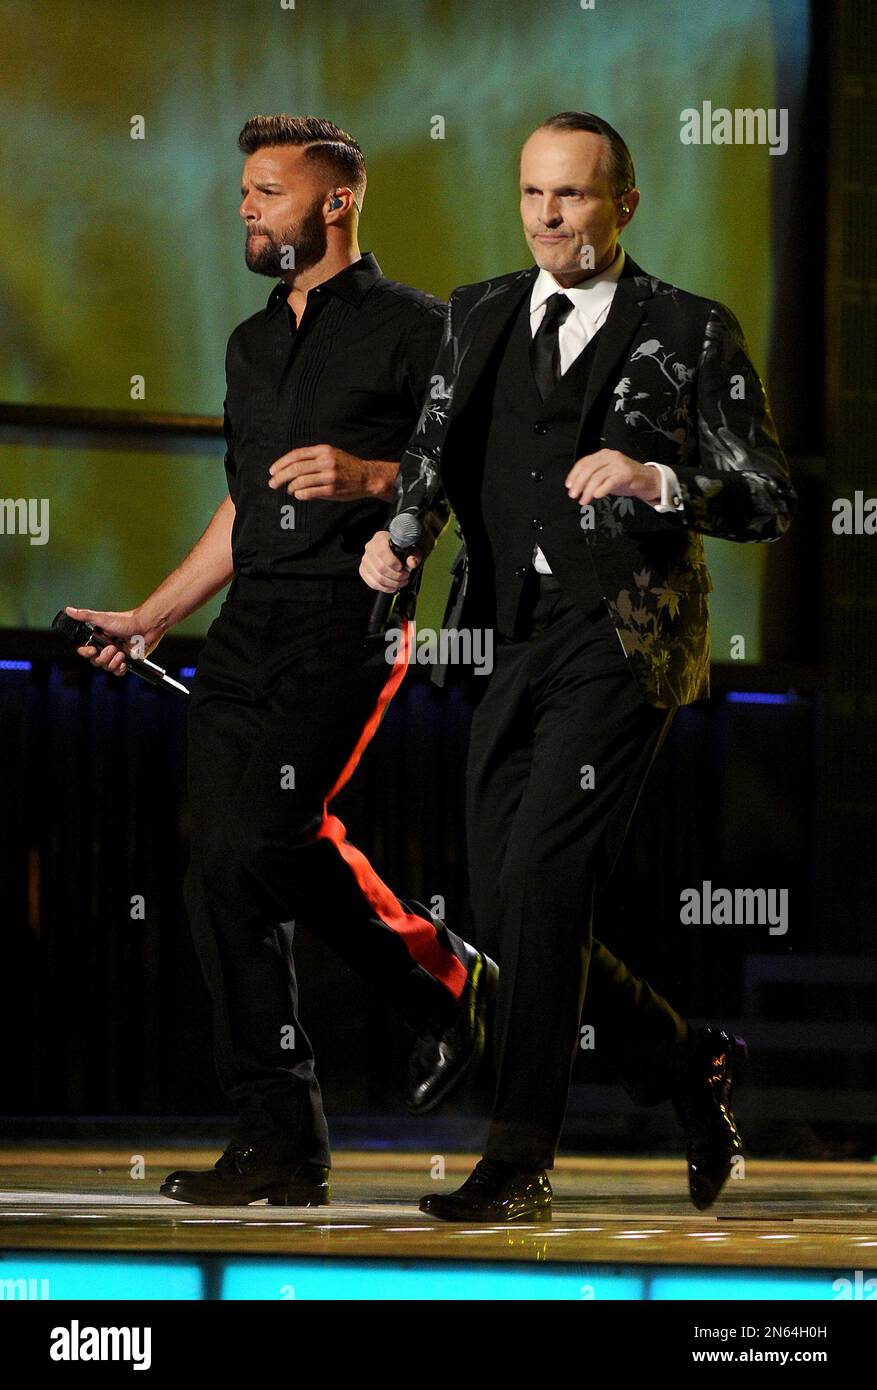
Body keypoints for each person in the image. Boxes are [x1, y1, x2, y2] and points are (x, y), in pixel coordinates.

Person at [361, 110, 796, 1222]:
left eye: (573, 196)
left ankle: (518, 1159)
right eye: (532, 196)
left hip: (623, 639)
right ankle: (687, 1061)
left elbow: (770, 496)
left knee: (545, 882)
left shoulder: (693, 330)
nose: (549, 217)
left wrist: (658, 480)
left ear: (625, 203)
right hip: (506, 636)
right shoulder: (479, 314)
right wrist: (399, 534)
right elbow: (431, 449)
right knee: (510, 911)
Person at [66, 114, 496, 1208]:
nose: (247, 207)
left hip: (346, 622)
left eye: (267, 190)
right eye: (244, 190)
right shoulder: (252, 343)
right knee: (221, 869)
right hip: (247, 627)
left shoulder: (419, 329)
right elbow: (244, 503)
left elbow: (476, 472)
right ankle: (282, 1136)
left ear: (336, 201)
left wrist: (366, 480)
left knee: (262, 837)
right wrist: (154, 615)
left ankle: (447, 984)